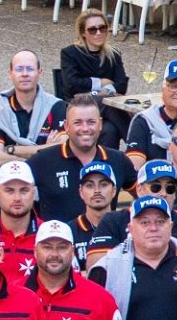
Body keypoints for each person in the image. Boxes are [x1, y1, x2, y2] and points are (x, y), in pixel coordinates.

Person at [29, 95, 133, 224]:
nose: (85, 129)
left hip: (104, 236)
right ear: (66, 126)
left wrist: (125, 224)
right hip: (59, 236)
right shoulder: (43, 160)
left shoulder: (118, 160)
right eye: (78, 122)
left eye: (91, 122)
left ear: (100, 124)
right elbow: (12, 194)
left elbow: (144, 194)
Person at [0, 50, 64, 170]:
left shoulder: (57, 106)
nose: (25, 74)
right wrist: (45, 152)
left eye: (30, 69)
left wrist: (13, 149)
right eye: (19, 69)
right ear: (10, 74)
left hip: (48, 179)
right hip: (9, 179)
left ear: (39, 73)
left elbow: (63, 148)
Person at [57, 11, 131, 101]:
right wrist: (101, 82)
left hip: (108, 102)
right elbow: (72, 84)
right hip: (79, 105)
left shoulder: (114, 54)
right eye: (92, 30)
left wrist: (100, 92)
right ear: (83, 33)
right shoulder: (70, 53)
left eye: (102, 28)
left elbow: (122, 85)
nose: (98, 33)